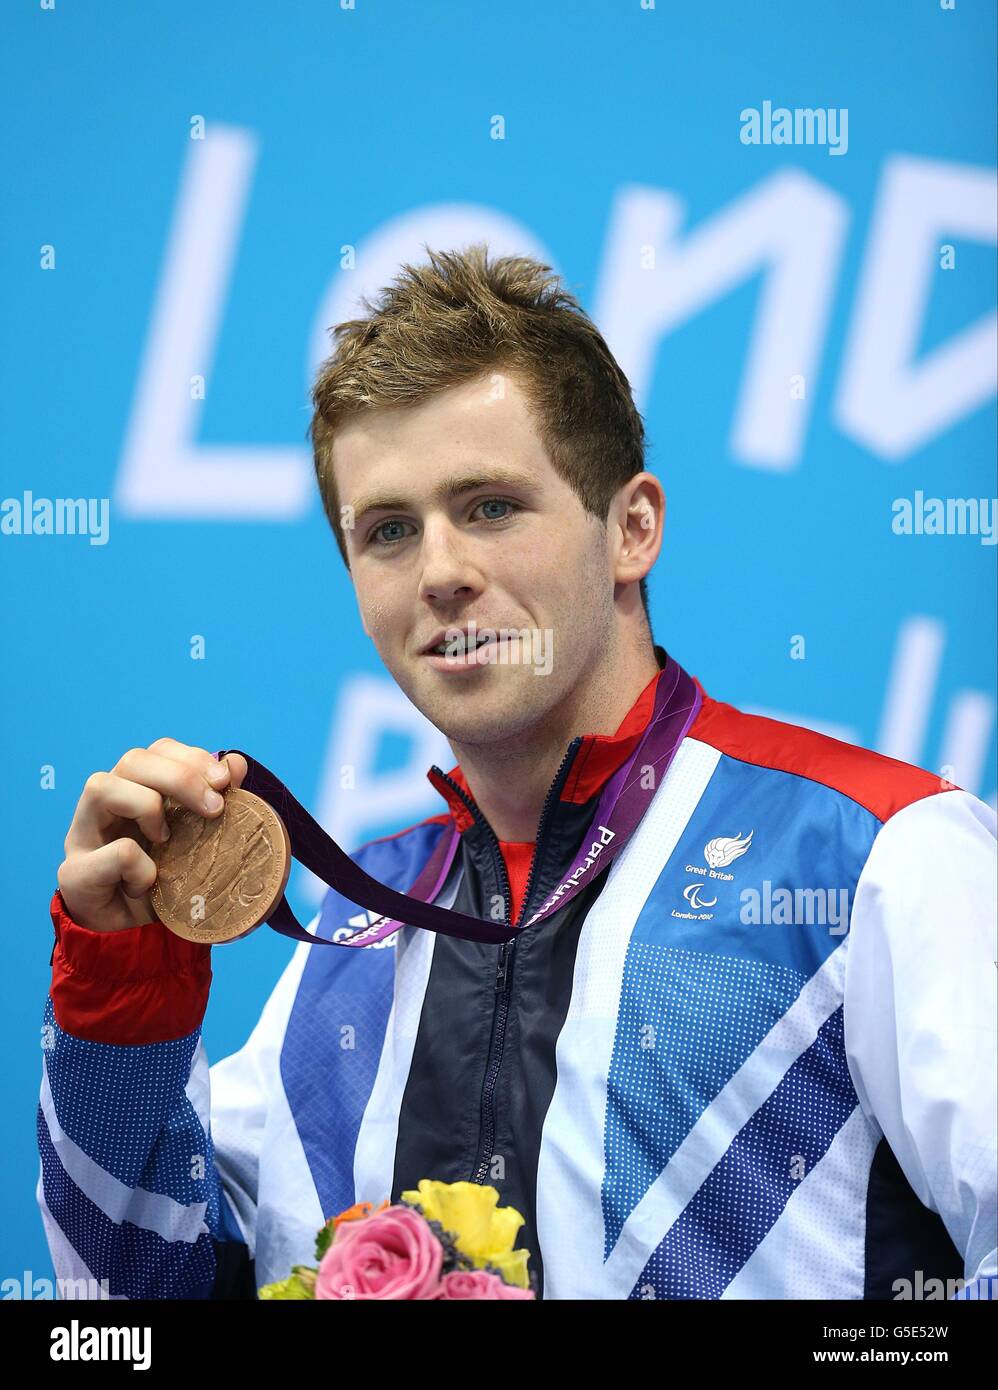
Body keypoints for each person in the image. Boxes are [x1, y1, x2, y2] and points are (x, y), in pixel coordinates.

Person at [38, 245, 997, 1300]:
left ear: (630, 528)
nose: (442, 572)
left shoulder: (877, 854)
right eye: (389, 531)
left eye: (490, 506)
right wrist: (122, 1003)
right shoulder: (354, 939)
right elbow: (130, 1320)